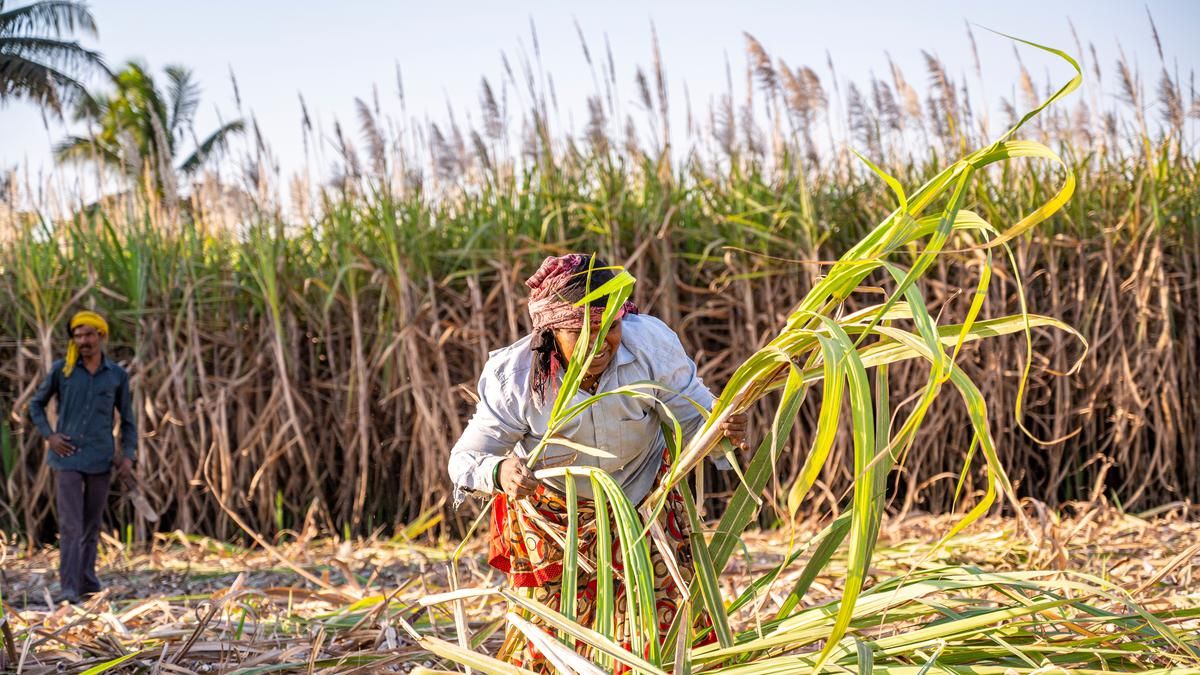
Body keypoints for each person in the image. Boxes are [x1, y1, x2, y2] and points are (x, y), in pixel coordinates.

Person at [447, 254, 748, 671]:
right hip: (557, 522)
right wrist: (499, 472)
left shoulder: (649, 346)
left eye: (610, 326)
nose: (602, 341)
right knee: (553, 645)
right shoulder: (512, 377)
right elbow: (465, 460)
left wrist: (722, 433)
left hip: (644, 506)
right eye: (582, 330)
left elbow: (695, 421)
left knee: (666, 637)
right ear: (550, 331)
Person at [28, 310, 137, 604]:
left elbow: (127, 420)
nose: (83, 340)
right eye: (77, 336)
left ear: (100, 336)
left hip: (101, 459)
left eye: (88, 334)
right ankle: (68, 587)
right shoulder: (62, 371)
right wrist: (50, 436)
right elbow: (35, 405)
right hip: (67, 459)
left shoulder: (116, 376)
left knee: (91, 525)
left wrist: (128, 455)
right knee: (71, 525)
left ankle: (88, 582)